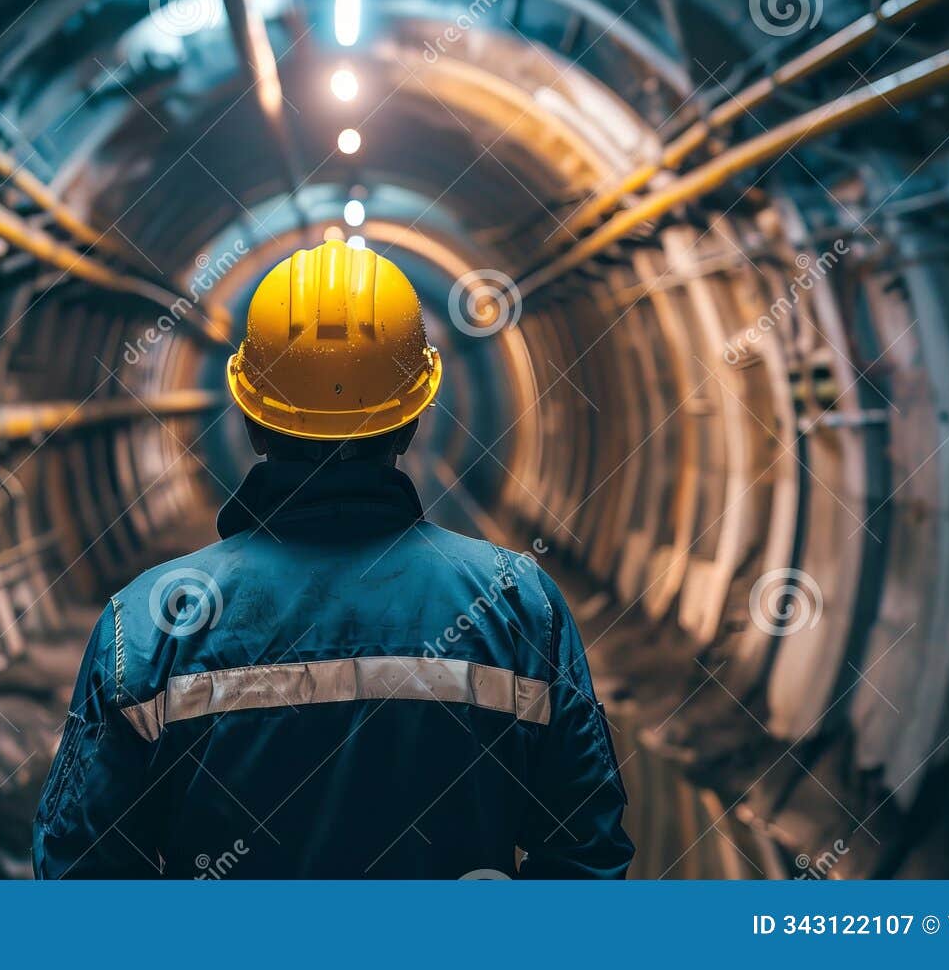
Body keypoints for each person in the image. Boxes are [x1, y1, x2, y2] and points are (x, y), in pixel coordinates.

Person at [33, 240, 632, 878]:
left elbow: (81, 876)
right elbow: (585, 857)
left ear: (251, 422)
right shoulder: (517, 606)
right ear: (413, 421)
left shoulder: (152, 626)